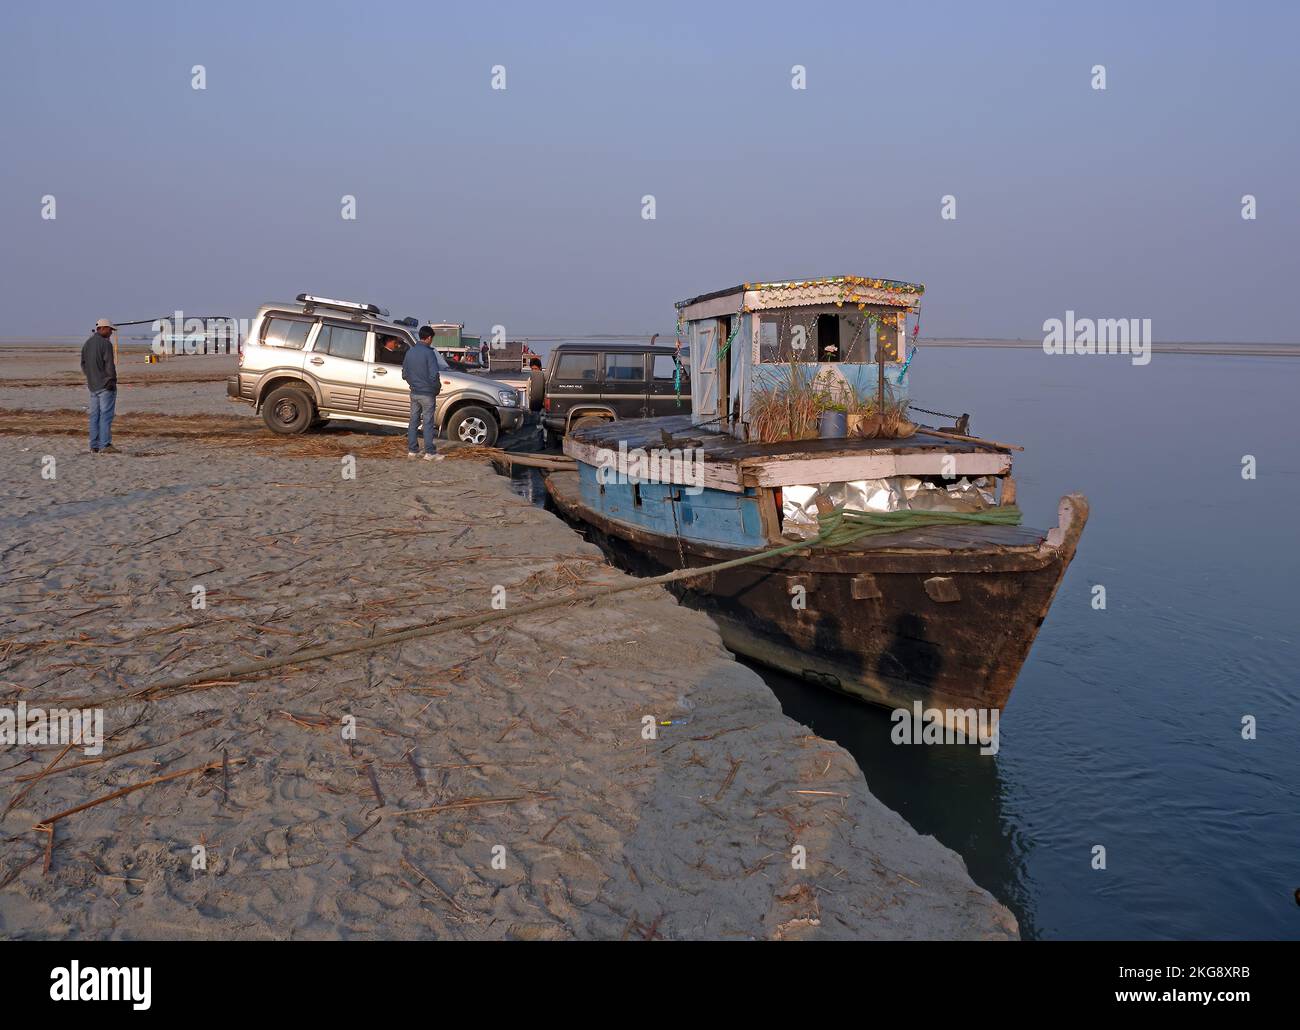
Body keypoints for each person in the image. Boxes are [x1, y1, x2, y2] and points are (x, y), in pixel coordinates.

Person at [402, 326, 442, 460]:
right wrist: (436, 388)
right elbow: (434, 375)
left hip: (414, 392)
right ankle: (430, 452)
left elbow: (404, 374)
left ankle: (412, 451)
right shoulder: (429, 353)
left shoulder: (410, 352)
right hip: (427, 393)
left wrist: (413, 384)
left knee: (413, 421)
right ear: (429, 337)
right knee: (428, 423)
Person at [81, 318, 118, 453]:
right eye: (110, 330)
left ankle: (94, 446)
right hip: (105, 386)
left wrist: (91, 377)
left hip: (93, 386)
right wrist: (112, 381)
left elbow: (83, 364)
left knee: (94, 417)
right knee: (105, 416)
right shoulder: (105, 344)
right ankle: (105, 445)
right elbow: (109, 365)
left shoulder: (87, 343)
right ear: (102, 328)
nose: (111, 333)